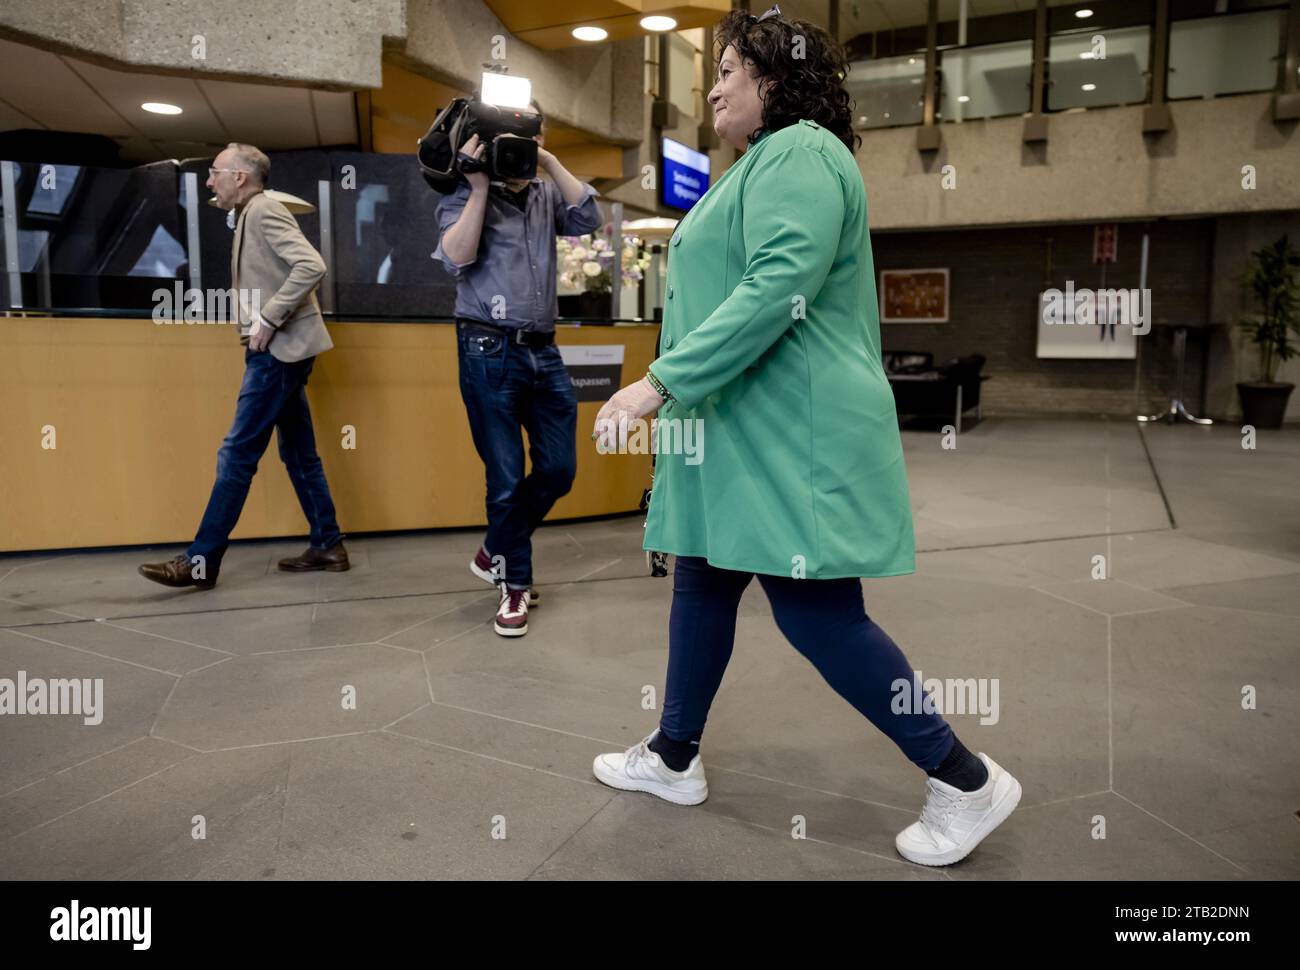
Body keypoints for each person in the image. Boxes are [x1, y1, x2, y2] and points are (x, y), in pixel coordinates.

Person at [589, 7, 1021, 867]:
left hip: (789, 430)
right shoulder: (761, 165)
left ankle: (965, 779)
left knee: (818, 612)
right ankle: (674, 756)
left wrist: (658, 384)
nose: (711, 87)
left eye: (726, 70)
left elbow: (775, 284)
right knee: (703, 581)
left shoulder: (802, 154)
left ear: (775, 81)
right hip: (741, 429)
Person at [139, 143, 347, 590]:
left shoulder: (264, 210)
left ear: (240, 177)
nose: (209, 181)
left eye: (215, 173)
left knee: (236, 454)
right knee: (299, 454)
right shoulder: (251, 210)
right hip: (282, 351)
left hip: (277, 352)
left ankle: (201, 561)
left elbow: (311, 265)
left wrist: (269, 318)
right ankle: (328, 544)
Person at [434, 100, 602, 637]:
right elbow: (455, 258)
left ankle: (495, 549)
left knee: (559, 471)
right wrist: (480, 187)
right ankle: (513, 587)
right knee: (505, 480)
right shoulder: (460, 191)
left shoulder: (545, 190)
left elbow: (589, 218)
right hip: (487, 348)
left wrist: (548, 161)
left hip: (544, 350)